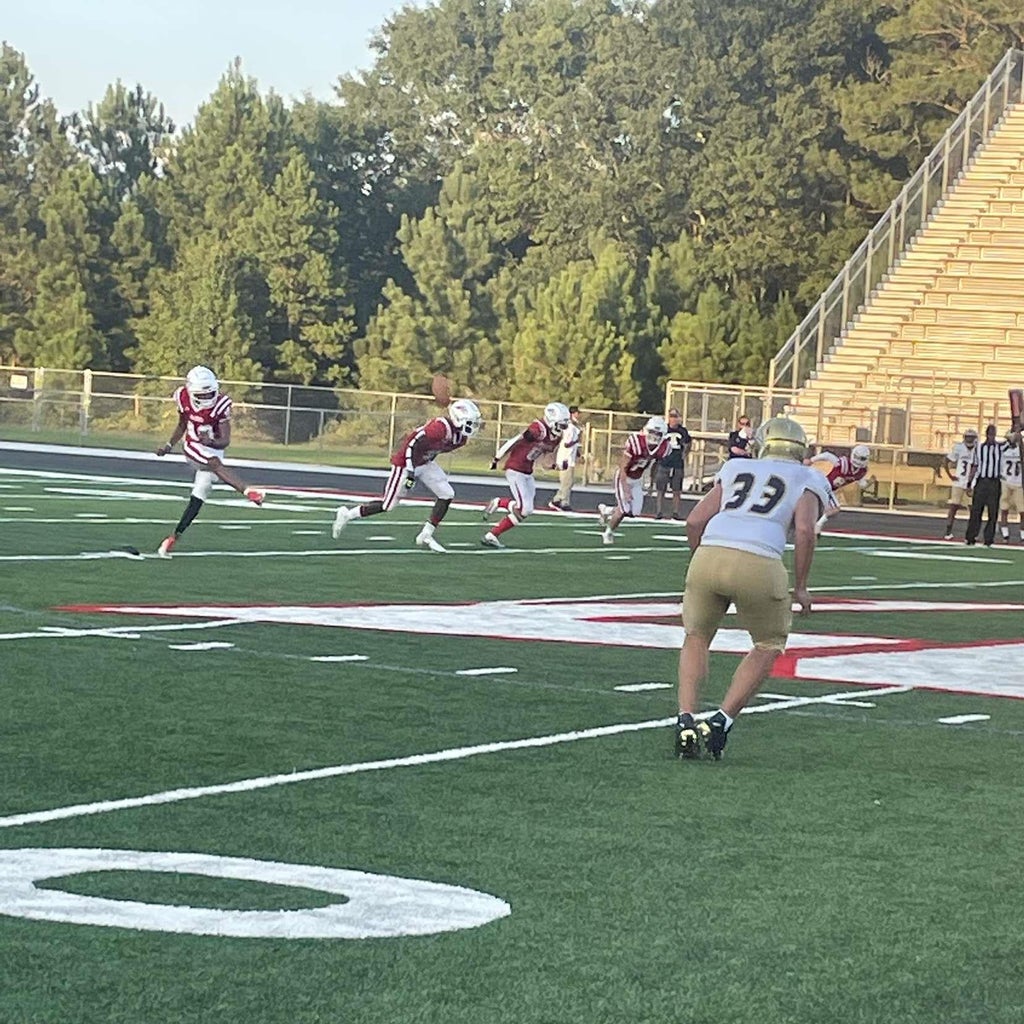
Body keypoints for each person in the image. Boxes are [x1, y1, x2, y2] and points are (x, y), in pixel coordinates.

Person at [674, 416, 831, 761]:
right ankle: (721, 720)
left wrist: (702, 557)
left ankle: (685, 719)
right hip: (760, 562)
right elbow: (805, 530)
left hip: (710, 554)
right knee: (768, 643)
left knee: (696, 636)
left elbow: (695, 520)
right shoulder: (808, 477)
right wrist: (802, 586)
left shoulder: (736, 468)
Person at [332, 398, 483, 553]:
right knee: (388, 505)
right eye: (470, 422)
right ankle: (347, 514)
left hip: (424, 463)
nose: (474, 427)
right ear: (458, 419)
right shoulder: (439, 428)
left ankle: (426, 534)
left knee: (447, 493)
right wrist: (410, 471)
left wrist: (425, 467)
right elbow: (412, 443)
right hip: (405, 463)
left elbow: (432, 450)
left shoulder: (461, 438)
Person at [155, 365, 264, 558]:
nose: (206, 399)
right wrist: (169, 445)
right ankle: (248, 491)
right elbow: (182, 424)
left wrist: (212, 441)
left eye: (209, 394)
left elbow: (225, 440)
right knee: (214, 463)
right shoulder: (182, 397)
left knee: (200, 493)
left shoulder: (221, 405)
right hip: (192, 446)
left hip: (213, 447)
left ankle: (173, 538)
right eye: (201, 395)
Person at [482, 402, 570, 548]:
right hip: (515, 469)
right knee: (525, 508)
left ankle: (498, 503)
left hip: (527, 472)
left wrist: (557, 466)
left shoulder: (556, 437)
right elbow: (515, 440)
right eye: (561, 424)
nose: (562, 428)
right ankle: (491, 535)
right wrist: (497, 457)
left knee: (525, 509)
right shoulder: (538, 429)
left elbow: (544, 462)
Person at [597, 416, 670, 545]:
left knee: (633, 512)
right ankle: (608, 532)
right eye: (652, 432)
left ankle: (607, 510)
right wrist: (625, 488)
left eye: (657, 433)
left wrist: (651, 483)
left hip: (637, 479)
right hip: (623, 477)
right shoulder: (636, 442)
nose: (654, 436)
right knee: (624, 510)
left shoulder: (664, 448)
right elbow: (623, 466)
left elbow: (655, 465)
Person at [806, 443, 875, 531]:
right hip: (824, 485)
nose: (858, 461)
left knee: (825, 508)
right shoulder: (843, 463)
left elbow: (861, 484)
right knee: (833, 508)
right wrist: (811, 460)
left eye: (861, 458)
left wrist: (869, 483)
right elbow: (827, 455)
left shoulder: (861, 471)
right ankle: (817, 525)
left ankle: (815, 524)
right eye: (857, 457)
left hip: (830, 489)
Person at [965, 424, 1012, 547]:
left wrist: (1016, 428)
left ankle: (988, 538)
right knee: (976, 511)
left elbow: (1013, 440)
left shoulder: (1000, 448)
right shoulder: (979, 448)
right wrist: (969, 483)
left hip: (994, 482)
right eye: (990, 434)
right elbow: (974, 466)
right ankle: (971, 536)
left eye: (993, 434)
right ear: (987, 434)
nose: (991, 436)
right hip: (982, 481)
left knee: (993, 512)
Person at [653, 408, 692, 519]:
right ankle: (659, 511)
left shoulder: (683, 431)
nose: (674, 419)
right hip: (664, 462)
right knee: (661, 488)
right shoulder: (664, 429)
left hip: (677, 463)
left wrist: (685, 454)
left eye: (676, 416)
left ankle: (675, 512)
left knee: (676, 489)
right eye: (672, 416)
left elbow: (688, 443)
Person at [942, 428, 978, 540]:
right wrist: (950, 475)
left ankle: (971, 534)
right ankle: (948, 531)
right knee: (953, 507)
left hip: (972, 482)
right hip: (959, 481)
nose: (969, 439)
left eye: (971, 437)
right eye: (968, 437)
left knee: (973, 509)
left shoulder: (978, 449)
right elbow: (946, 460)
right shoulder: (959, 448)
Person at [549, 405, 583, 511]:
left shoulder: (574, 426)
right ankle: (564, 502)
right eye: (576, 413)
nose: (578, 415)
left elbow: (573, 446)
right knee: (567, 481)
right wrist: (577, 440)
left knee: (568, 482)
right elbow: (567, 444)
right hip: (565, 458)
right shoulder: (569, 427)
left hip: (570, 458)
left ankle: (557, 499)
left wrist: (578, 454)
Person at [998, 431, 1023, 543]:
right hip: (1006, 481)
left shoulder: (1021, 450)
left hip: (1019, 482)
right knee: (1004, 509)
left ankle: (1022, 534)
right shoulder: (1003, 449)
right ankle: (1005, 535)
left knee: (1022, 511)